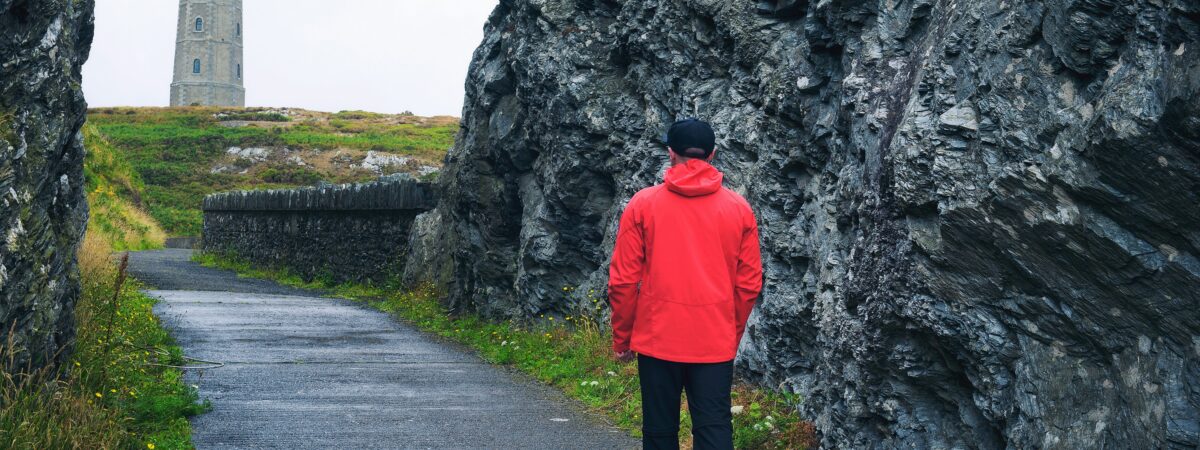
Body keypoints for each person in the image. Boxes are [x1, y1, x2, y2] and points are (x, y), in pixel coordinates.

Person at [608, 118, 763, 450]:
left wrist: (623, 337)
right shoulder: (739, 209)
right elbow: (749, 285)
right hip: (713, 341)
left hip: (657, 339)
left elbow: (623, 281)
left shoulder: (643, 204)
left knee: (660, 430)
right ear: (713, 154)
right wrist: (728, 333)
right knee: (714, 426)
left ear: (670, 153)